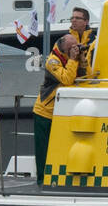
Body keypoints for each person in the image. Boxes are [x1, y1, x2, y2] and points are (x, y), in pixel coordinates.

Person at [32, 34, 80, 185]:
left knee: (59, 148)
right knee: (43, 150)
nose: (74, 49)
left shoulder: (68, 58)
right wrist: (73, 59)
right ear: (64, 47)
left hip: (60, 112)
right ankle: (41, 180)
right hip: (44, 111)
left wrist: (81, 60)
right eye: (71, 47)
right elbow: (67, 79)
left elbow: (86, 75)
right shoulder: (52, 61)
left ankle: (55, 177)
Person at [69, 7, 97, 79]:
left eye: (77, 18)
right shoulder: (65, 41)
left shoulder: (95, 42)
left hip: (90, 80)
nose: (73, 20)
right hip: (69, 80)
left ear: (86, 22)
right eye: (72, 18)